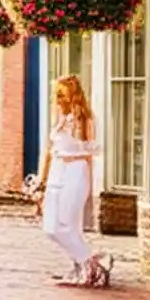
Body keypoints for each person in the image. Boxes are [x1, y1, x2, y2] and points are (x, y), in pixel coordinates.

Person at [40, 75, 111, 287]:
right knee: (51, 226)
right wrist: (41, 180)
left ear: (73, 95)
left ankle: (84, 268)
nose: (58, 99)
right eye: (56, 94)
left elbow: (91, 149)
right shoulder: (57, 118)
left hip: (75, 169)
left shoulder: (84, 120)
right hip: (57, 170)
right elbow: (49, 150)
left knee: (68, 224)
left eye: (61, 94)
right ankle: (92, 263)